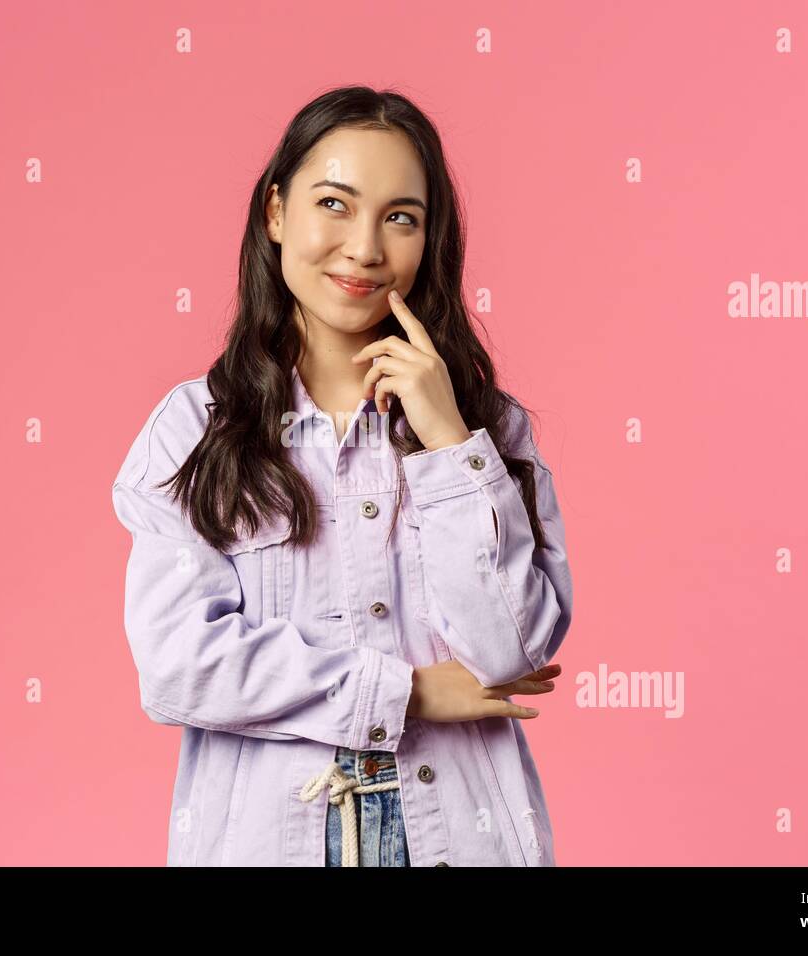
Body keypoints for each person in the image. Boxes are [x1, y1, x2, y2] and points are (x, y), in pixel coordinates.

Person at [111, 85, 573, 866]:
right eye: (334, 203)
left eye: (400, 217)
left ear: (430, 242)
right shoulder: (196, 431)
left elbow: (515, 651)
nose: (364, 248)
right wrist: (409, 693)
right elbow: (181, 668)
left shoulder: (486, 428)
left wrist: (445, 441)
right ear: (276, 214)